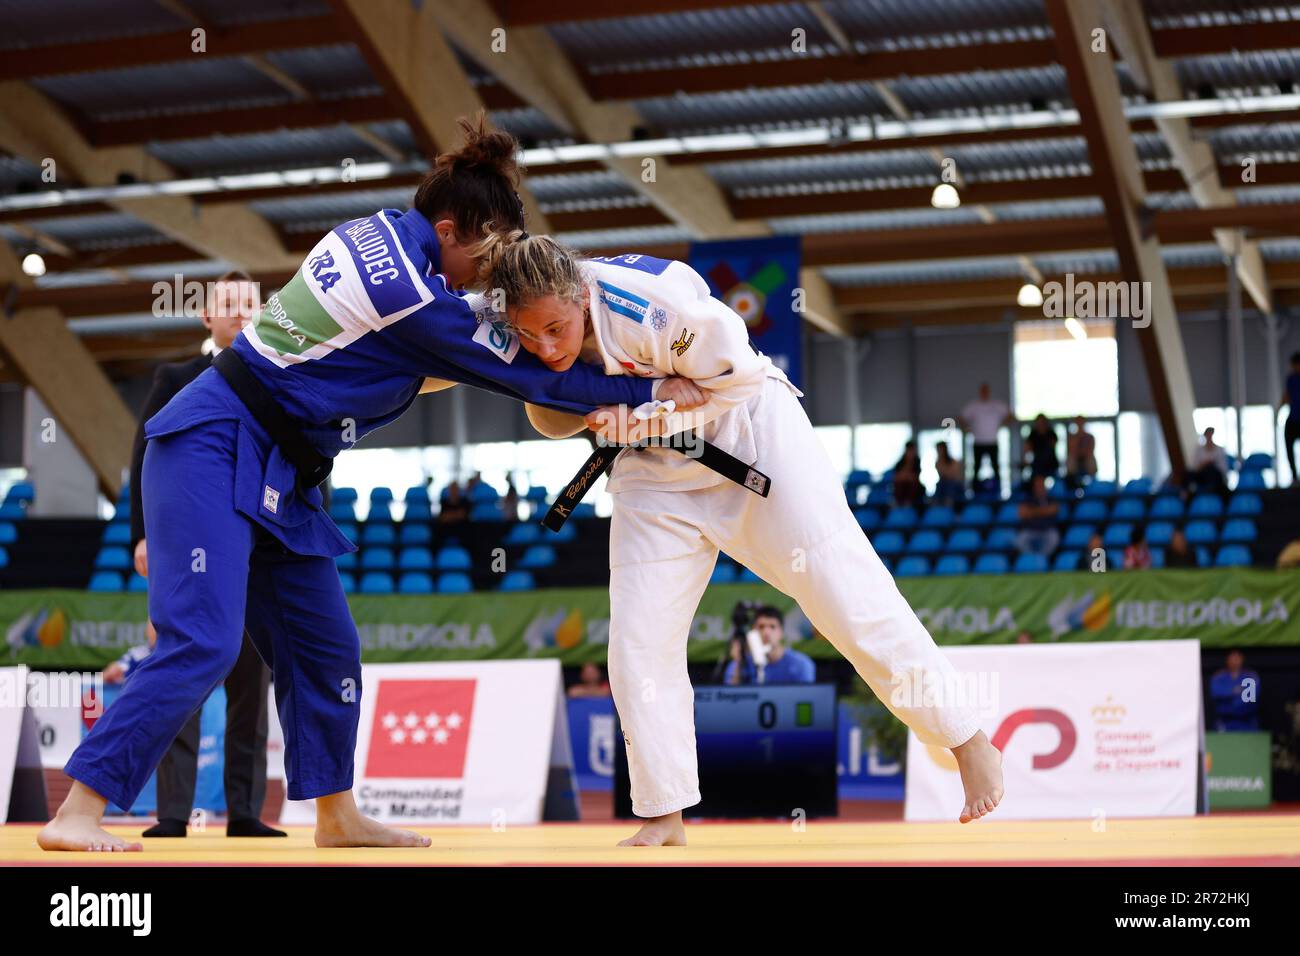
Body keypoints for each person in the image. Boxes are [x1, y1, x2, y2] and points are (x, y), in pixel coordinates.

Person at [38, 116, 705, 854]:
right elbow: (513, 365)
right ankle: (79, 810)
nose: (490, 273)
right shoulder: (404, 291)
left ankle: (335, 814)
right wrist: (656, 395)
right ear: (450, 229)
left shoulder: (380, 237)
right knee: (204, 641)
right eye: (489, 253)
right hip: (212, 441)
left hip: (281, 469)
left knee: (326, 649)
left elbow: (464, 339)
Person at [490, 237, 1004, 847]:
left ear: (580, 294)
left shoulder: (652, 308)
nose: (546, 348)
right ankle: (665, 811)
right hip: (654, 478)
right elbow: (546, 413)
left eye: (556, 328)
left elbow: (739, 381)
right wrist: (621, 406)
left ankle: (967, 739)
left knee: (845, 593)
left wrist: (641, 411)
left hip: (751, 439)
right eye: (531, 336)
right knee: (638, 645)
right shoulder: (514, 324)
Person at [127, 272, 282, 839]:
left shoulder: (284, 376)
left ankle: (244, 812)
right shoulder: (177, 378)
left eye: (250, 304)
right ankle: (171, 813)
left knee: (250, 685)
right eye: (230, 305)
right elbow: (144, 455)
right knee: (187, 670)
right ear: (206, 318)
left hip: (257, 551)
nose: (241, 313)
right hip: (191, 547)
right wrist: (143, 535)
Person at [724, 606, 815, 685]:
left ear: (781, 632)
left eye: (772, 626)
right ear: (753, 632)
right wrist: (739, 662)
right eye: (761, 627)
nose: (766, 633)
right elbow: (730, 698)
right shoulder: (740, 663)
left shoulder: (802, 664)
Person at [959, 382, 1013, 487]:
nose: (984, 393)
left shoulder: (996, 404)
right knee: (976, 468)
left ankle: (999, 489)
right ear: (980, 392)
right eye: (983, 390)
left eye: (986, 390)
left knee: (996, 468)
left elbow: (1011, 415)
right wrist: (967, 428)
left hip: (992, 441)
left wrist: (1001, 425)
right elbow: (961, 417)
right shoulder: (974, 405)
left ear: (989, 391)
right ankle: (974, 491)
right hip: (979, 442)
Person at [1210, 650, 1260, 731]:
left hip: (1247, 723)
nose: (1235, 660)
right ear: (1227, 660)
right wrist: (1236, 690)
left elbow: (1250, 700)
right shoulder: (1218, 677)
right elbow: (1216, 694)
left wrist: (1229, 698)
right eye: (1232, 657)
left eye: (1237, 657)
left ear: (1242, 659)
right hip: (1224, 722)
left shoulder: (1251, 677)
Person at [1015, 475, 1060, 557]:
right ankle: (1031, 558)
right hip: (1031, 530)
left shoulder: (1051, 498)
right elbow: (1022, 513)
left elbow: (1053, 510)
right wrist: (1044, 511)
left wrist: (1032, 512)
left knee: (1054, 538)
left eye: (1041, 485)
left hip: (1047, 530)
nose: (1040, 487)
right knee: (1020, 541)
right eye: (1037, 485)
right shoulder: (1028, 499)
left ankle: (1042, 559)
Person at [1186, 426, 1229, 497]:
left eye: (1210, 435)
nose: (1209, 437)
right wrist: (1204, 464)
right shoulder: (1198, 450)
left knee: (1211, 471)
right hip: (1202, 476)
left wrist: (1211, 464)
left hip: (1215, 476)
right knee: (1188, 475)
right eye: (1207, 435)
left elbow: (1224, 469)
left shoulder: (1219, 450)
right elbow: (1194, 467)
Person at [1022, 414, 1060, 482]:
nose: (1040, 424)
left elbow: (1052, 448)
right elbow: (1027, 448)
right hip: (1037, 465)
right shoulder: (1033, 435)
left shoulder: (1051, 434)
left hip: (1050, 463)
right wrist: (1025, 460)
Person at [1281, 352, 1300, 485]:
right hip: (1293, 418)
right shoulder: (1291, 378)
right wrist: (1278, 410)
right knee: (1288, 446)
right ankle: (1294, 476)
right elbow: (1286, 396)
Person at [1064, 416, 1097, 490]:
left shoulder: (1090, 437)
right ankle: (1071, 483)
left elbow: (1090, 451)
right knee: (1071, 460)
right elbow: (1072, 451)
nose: (1080, 424)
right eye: (1078, 422)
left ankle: (1092, 484)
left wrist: (1082, 452)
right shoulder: (1072, 437)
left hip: (1086, 459)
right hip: (1076, 460)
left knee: (1090, 460)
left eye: (1081, 422)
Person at [891, 440, 922, 507]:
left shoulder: (917, 461)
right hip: (903, 487)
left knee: (913, 484)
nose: (910, 453)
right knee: (899, 484)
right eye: (909, 450)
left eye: (912, 450)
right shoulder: (900, 462)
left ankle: (908, 503)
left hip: (913, 489)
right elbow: (897, 477)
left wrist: (905, 475)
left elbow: (915, 477)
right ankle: (899, 503)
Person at [933, 440, 965, 506]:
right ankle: (935, 507)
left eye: (940, 450)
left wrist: (947, 473)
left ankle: (948, 506)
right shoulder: (937, 463)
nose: (939, 452)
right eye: (938, 450)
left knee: (950, 484)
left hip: (954, 485)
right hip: (944, 485)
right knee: (940, 484)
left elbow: (955, 476)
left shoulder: (953, 461)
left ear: (944, 450)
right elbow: (943, 475)